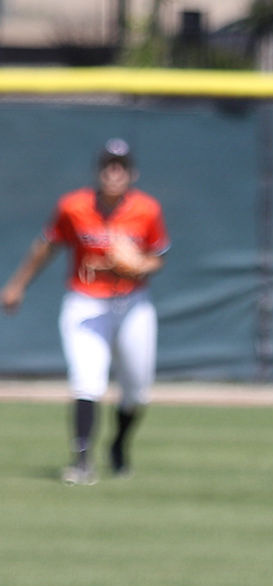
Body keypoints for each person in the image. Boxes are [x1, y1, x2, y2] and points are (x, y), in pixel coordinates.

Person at [1, 139, 168, 485]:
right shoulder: (74, 207)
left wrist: (138, 264)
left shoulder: (147, 210)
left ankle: (119, 444)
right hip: (85, 301)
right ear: (98, 171)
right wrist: (18, 284)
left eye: (120, 166)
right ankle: (81, 462)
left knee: (137, 389)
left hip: (132, 304)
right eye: (108, 165)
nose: (113, 172)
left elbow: (158, 257)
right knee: (86, 379)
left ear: (131, 173)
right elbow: (45, 247)